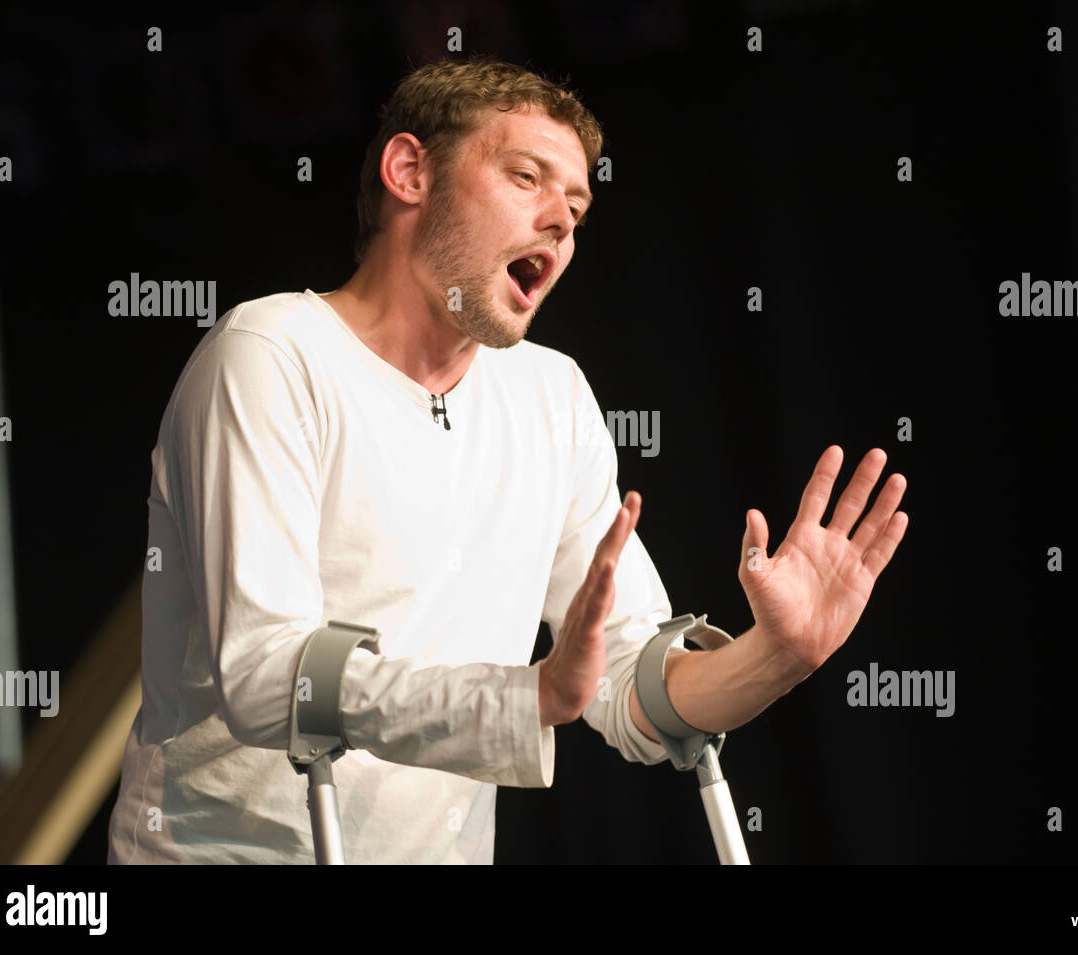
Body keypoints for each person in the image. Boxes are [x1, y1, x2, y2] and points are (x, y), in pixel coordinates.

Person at [107, 55, 909, 864]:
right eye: (528, 177)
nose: (562, 220)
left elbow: (631, 685)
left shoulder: (550, 395)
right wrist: (522, 697)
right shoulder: (272, 353)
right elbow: (265, 671)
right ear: (410, 171)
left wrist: (777, 656)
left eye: (577, 206)